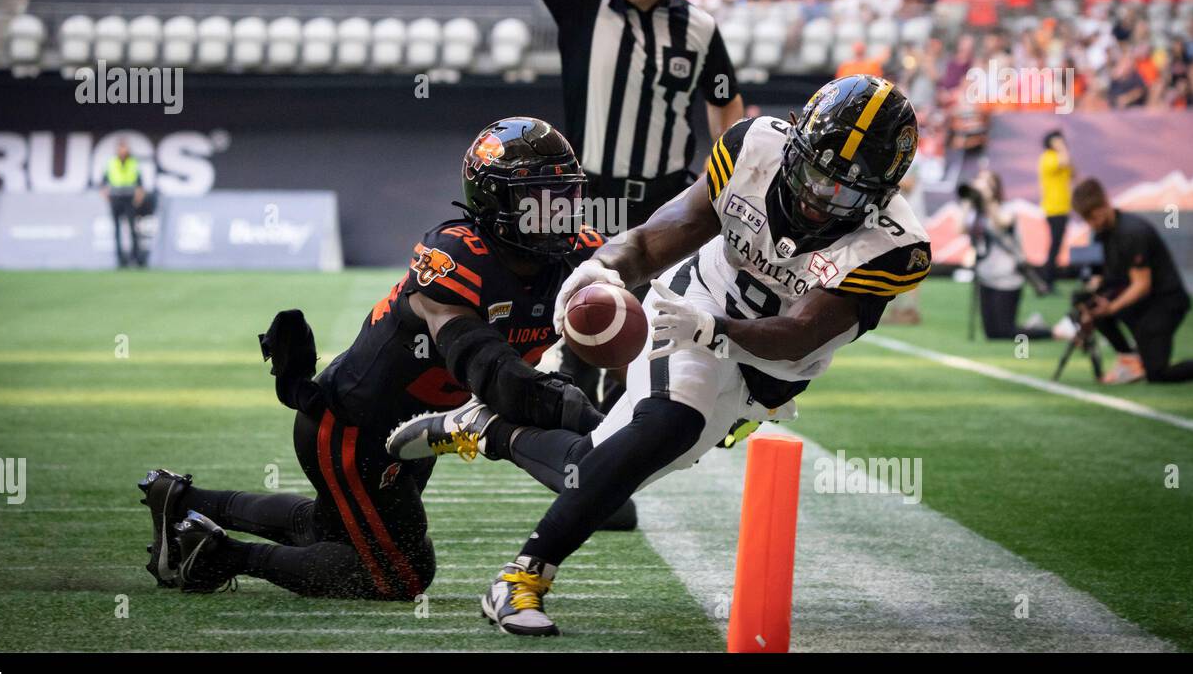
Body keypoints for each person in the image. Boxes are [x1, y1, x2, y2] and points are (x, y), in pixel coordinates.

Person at [387, 75, 932, 636]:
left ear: (881, 193)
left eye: (843, 189)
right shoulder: (753, 149)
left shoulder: (894, 245)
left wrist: (717, 330)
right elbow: (652, 241)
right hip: (695, 301)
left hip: (766, 366)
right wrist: (604, 267)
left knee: (595, 472)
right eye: (814, 172)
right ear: (792, 145)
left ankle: (487, 427)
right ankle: (521, 579)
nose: (820, 195)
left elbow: (799, 332)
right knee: (666, 424)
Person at [137, 118, 629, 599]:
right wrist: (591, 417)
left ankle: (181, 501)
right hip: (354, 425)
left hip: (416, 426)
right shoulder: (458, 256)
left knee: (334, 530)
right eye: (538, 202)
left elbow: (645, 297)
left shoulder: (580, 255)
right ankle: (212, 554)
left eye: (564, 199)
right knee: (400, 576)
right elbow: (492, 372)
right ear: (493, 200)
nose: (556, 215)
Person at [489, 0, 746, 411]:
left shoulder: (699, 28)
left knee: (644, 334)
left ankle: (609, 458)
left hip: (664, 199)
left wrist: (725, 194)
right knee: (582, 323)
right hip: (590, 193)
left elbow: (726, 110)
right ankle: (577, 450)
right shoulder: (586, 5)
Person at [1071, 177, 1193, 385]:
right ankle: (1129, 358)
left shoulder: (1133, 232)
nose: (1092, 224)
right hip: (1137, 303)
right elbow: (1097, 280)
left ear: (1105, 203)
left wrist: (1112, 307)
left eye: (1094, 216)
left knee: (1157, 373)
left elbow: (1142, 285)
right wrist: (1084, 317)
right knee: (1088, 302)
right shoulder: (1099, 236)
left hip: (1165, 303)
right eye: (1086, 219)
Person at [960, 169, 1049, 341]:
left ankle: (1047, 331)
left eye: (986, 184)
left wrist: (988, 200)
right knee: (992, 333)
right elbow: (961, 229)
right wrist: (968, 202)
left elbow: (1001, 222)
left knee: (1005, 331)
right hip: (986, 277)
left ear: (995, 188)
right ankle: (1033, 326)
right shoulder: (977, 213)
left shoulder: (1008, 209)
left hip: (1007, 279)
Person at [101, 139, 145, 268]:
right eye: (121, 148)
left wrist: (138, 197)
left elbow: (139, 182)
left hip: (129, 198)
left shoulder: (133, 163)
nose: (123, 150)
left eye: (125, 148)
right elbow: (103, 182)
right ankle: (120, 260)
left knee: (133, 229)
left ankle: (136, 259)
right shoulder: (111, 162)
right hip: (115, 198)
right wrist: (106, 196)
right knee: (116, 230)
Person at [1037, 129, 1072, 291]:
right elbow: (1063, 162)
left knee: (1057, 245)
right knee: (1054, 245)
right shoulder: (1048, 158)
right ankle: (1046, 279)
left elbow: (1072, 173)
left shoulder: (1060, 157)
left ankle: (1048, 278)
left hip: (1064, 207)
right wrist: (1062, 148)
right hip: (1053, 208)